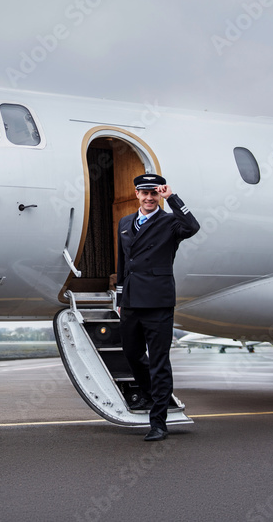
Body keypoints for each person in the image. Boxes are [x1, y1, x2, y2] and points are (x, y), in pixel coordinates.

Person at [116, 173, 200, 441]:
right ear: (137, 195)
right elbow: (122, 262)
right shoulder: (126, 223)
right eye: (145, 193)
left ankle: (159, 421)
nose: (150, 198)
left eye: (154, 193)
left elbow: (193, 226)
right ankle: (153, 396)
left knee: (159, 362)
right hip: (130, 300)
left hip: (157, 301)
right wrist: (119, 297)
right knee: (131, 354)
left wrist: (172, 198)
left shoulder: (170, 222)